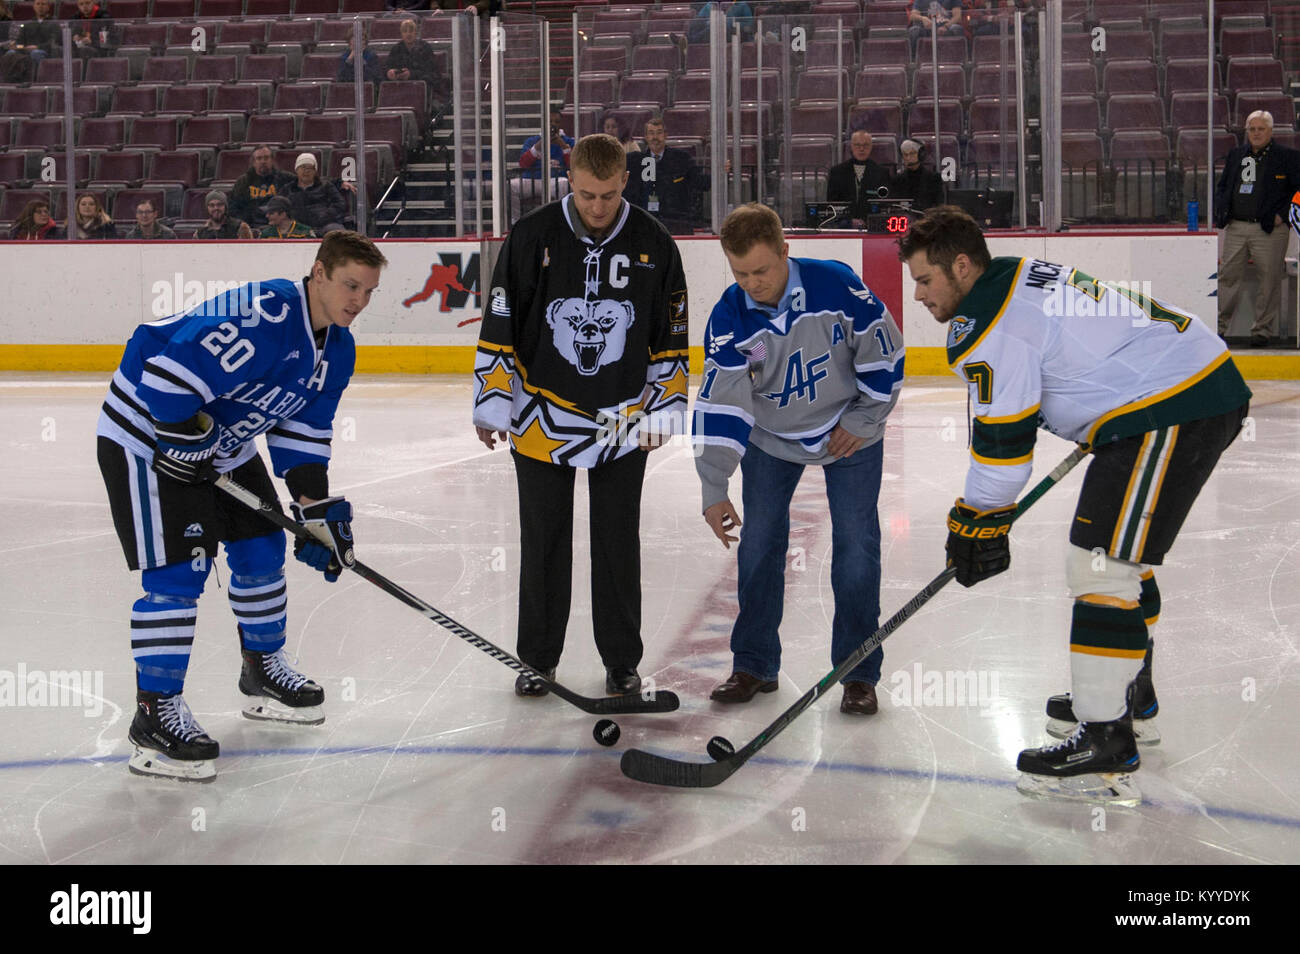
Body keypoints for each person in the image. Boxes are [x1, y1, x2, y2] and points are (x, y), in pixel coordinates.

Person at [898, 206, 1251, 805]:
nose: (920, 296)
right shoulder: (1015, 274)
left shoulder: (989, 323)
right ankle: (1125, 694)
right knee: (1120, 562)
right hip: (1174, 393)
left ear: (962, 266)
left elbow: (1004, 444)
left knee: (1101, 566)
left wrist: (978, 520)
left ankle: (1106, 735)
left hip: (1168, 408)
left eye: (926, 280)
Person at [95, 230, 389, 782]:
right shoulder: (261, 314)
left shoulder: (338, 349)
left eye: (369, 291)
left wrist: (315, 513)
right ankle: (153, 715)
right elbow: (164, 376)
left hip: (220, 441)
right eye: (350, 285)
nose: (358, 301)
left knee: (260, 545)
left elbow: (302, 436)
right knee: (179, 573)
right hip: (146, 433)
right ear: (319, 273)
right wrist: (184, 440)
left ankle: (262, 672)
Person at [471, 133, 689, 698]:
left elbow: (672, 336)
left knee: (618, 542)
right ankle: (538, 658)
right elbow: (500, 319)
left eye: (609, 196)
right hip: (540, 413)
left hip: (623, 419)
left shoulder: (655, 242)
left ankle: (622, 661)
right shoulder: (532, 234)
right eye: (587, 195)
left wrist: (663, 408)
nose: (597, 207)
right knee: (543, 540)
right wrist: (493, 399)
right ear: (570, 178)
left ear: (625, 183)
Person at [696, 203, 903, 713]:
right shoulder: (729, 316)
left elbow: (887, 354)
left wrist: (863, 420)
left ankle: (858, 673)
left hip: (847, 433)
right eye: (740, 273)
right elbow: (720, 404)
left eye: (762, 271)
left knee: (857, 548)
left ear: (786, 252)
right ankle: (754, 664)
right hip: (771, 439)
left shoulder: (836, 285)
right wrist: (714, 486)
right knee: (759, 546)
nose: (753, 284)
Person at [1214, 110, 1300, 348]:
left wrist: (1283, 216)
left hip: (1269, 231)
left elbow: (1297, 191)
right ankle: (1217, 328)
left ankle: (1261, 331)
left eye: (1261, 129)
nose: (1256, 133)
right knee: (1227, 277)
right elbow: (1223, 187)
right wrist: (1223, 210)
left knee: (1269, 281)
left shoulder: (1287, 157)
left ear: (1271, 131)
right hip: (1237, 227)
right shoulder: (1236, 155)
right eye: (1252, 129)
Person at [624, 116, 700, 234]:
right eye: (651, 133)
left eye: (659, 133)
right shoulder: (634, 161)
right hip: (645, 222)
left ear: (666, 135)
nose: (655, 137)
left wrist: (721, 171)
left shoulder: (681, 159)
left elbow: (698, 182)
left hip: (676, 222)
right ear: (646, 137)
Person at [826, 130, 892, 227]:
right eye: (857, 145)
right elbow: (832, 203)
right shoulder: (837, 172)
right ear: (851, 147)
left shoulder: (881, 172)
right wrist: (848, 221)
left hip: (873, 226)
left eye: (865, 145)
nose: (862, 149)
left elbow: (885, 204)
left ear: (871, 147)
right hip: (843, 227)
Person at [514, 111, 574, 213]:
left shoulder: (569, 142)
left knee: (563, 184)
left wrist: (564, 147)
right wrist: (538, 146)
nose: (553, 124)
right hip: (532, 180)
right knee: (510, 187)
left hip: (556, 181)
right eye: (550, 121)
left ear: (561, 124)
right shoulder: (532, 141)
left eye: (557, 122)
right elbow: (523, 164)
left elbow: (574, 166)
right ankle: (514, 221)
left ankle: (561, 219)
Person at [230, 144, 296, 230]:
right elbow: (234, 209)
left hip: (281, 227)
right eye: (259, 158)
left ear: (272, 160)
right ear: (253, 162)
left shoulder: (286, 179)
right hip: (252, 227)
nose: (263, 161)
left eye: (266, 158)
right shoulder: (242, 182)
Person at [383, 17, 445, 103]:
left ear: (416, 32)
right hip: (399, 91)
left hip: (421, 92)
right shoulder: (396, 49)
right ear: (401, 34)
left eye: (411, 31)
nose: (408, 34)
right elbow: (386, 68)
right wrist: (389, 73)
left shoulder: (425, 48)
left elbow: (433, 74)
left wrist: (411, 74)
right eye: (405, 31)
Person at [283, 153, 347, 236]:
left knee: (339, 233)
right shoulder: (288, 188)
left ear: (315, 171)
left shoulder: (326, 185)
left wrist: (326, 215)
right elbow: (279, 206)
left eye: (310, 168)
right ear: (296, 170)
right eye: (303, 167)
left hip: (324, 226)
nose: (307, 171)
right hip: (296, 227)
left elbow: (340, 203)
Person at [891, 139, 945, 212]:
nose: (908, 158)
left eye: (912, 153)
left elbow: (939, 207)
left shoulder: (934, 179)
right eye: (905, 154)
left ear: (921, 155)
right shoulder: (897, 180)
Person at [7, 0, 59, 66]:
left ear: (48, 7)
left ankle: (40, 75)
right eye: (38, 4)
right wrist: (16, 46)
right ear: (34, 6)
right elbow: (20, 41)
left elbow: (54, 42)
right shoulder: (28, 24)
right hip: (26, 51)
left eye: (43, 4)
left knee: (36, 53)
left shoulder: (54, 24)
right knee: (10, 53)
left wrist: (38, 47)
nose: (40, 6)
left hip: (45, 51)